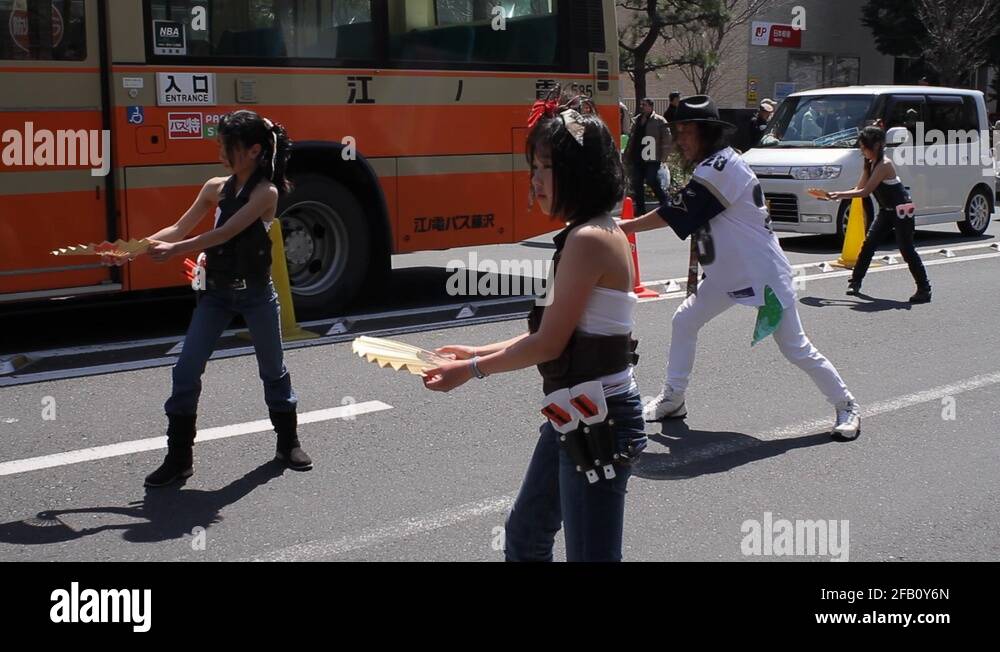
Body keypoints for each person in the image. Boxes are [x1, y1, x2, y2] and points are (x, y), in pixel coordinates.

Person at [423, 93, 647, 562]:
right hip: (576, 412)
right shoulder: (587, 233)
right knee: (525, 536)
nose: (535, 181)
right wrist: (473, 351)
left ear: (578, 171)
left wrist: (473, 370)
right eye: (535, 167)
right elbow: (553, 332)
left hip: (597, 418)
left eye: (544, 167)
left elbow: (548, 343)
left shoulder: (588, 239)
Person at [619, 95, 862, 440]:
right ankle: (674, 397)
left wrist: (621, 228)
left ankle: (846, 403)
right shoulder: (713, 165)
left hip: (762, 275)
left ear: (706, 133)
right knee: (685, 319)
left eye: (686, 132)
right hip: (726, 273)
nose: (679, 140)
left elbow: (679, 212)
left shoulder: (723, 167)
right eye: (678, 131)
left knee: (795, 347)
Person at [140, 110, 312, 487]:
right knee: (186, 369)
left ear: (252, 150)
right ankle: (179, 458)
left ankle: (288, 443)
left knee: (273, 370)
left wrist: (175, 249)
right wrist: (133, 249)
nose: (219, 149)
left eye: (227, 144)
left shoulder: (266, 193)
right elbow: (178, 227)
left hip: (256, 295)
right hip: (215, 295)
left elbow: (227, 233)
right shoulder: (214, 186)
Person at [829, 125, 931, 303]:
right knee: (868, 245)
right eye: (861, 147)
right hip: (886, 211)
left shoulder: (885, 164)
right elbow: (859, 187)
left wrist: (839, 195)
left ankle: (924, 289)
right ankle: (855, 282)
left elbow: (865, 192)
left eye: (864, 147)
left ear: (876, 146)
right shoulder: (870, 163)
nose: (862, 150)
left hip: (901, 211)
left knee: (907, 250)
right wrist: (833, 194)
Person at [624, 98, 672, 213]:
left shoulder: (659, 120)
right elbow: (631, 138)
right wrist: (627, 154)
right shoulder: (637, 120)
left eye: (644, 105)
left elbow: (667, 138)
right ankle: (641, 210)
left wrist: (664, 156)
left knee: (651, 179)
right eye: (641, 105)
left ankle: (666, 203)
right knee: (637, 183)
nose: (642, 107)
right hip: (638, 156)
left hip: (652, 156)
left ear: (651, 106)